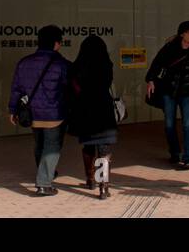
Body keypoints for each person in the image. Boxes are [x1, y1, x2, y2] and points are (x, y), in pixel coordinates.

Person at [8, 24, 70, 196]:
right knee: (52, 146)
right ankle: (44, 183)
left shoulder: (24, 63)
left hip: (32, 114)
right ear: (56, 43)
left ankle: (46, 172)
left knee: (40, 144)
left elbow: (16, 89)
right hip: (54, 114)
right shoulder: (62, 64)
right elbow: (68, 88)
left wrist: (12, 110)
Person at [145, 21, 189, 168]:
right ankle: (175, 153)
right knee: (169, 125)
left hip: (188, 91)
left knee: (188, 125)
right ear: (181, 33)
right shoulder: (170, 48)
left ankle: (188, 158)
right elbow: (156, 64)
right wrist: (150, 80)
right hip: (168, 90)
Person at [68, 34, 118, 199]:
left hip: (85, 110)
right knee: (103, 150)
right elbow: (108, 83)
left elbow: (73, 87)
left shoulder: (77, 66)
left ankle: (90, 180)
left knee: (88, 147)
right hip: (103, 109)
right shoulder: (106, 65)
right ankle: (103, 187)